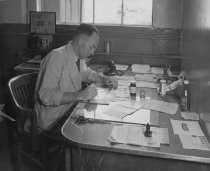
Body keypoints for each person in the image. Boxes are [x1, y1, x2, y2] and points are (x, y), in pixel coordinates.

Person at [34, 23, 118, 131]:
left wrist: (104, 79)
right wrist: (79, 95)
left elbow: (86, 73)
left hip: (69, 112)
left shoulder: (78, 56)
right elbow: (45, 96)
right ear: (81, 41)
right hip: (53, 121)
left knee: (100, 124)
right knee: (94, 132)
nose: (92, 52)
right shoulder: (56, 57)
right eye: (91, 47)